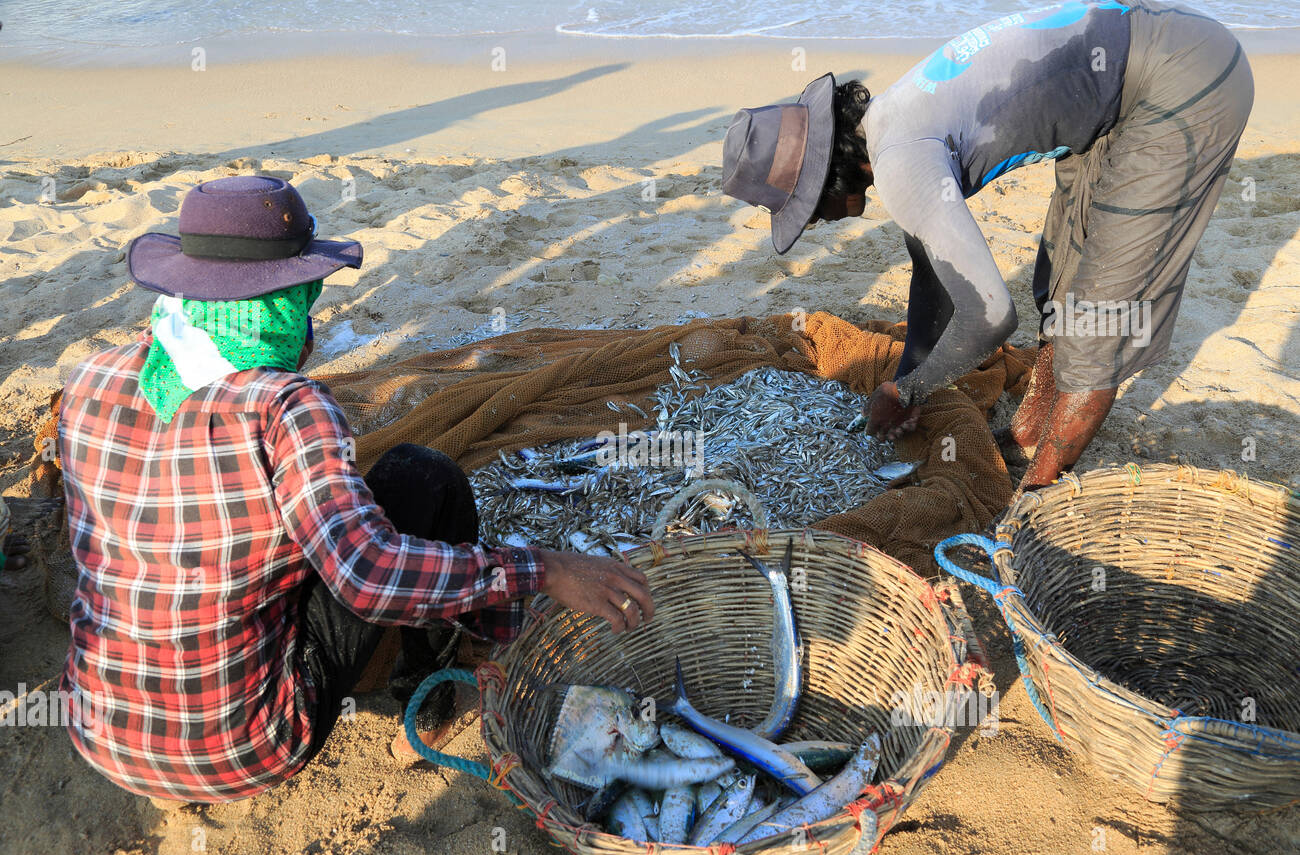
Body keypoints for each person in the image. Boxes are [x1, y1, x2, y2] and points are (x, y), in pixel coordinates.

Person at [57, 175, 653, 805]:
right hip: (247, 748)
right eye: (302, 296)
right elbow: (369, 576)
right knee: (422, 480)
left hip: (99, 733)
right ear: (283, 301)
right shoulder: (285, 407)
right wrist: (546, 571)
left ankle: (164, 771)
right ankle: (429, 706)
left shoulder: (92, 378)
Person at [720, 1, 1253, 490]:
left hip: (1182, 79)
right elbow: (933, 277)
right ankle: (1028, 433)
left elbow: (993, 316)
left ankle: (1035, 497)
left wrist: (908, 393)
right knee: (1060, 281)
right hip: (1110, 86)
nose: (813, 222)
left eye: (804, 208)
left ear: (826, 178)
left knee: (1095, 318)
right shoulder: (889, 123)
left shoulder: (901, 164)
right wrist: (907, 383)